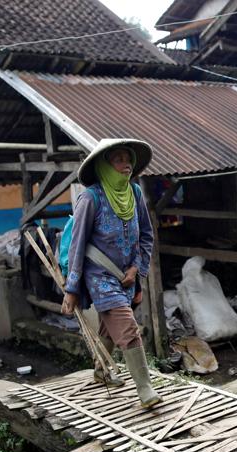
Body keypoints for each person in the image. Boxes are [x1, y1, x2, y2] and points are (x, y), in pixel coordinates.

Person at [61, 138, 161, 408]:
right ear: (104, 166)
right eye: (117, 160)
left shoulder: (135, 194)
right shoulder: (90, 198)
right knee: (127, 327)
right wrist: (72, 289)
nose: (126, 165)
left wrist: (136, 268)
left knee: (109, 326)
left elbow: (147, 236)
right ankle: (145, 390)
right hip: (99, 276)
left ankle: (101, 370)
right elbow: (77, 245)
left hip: (126, 274)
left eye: (127, 159)